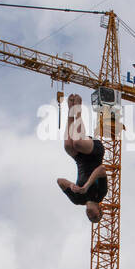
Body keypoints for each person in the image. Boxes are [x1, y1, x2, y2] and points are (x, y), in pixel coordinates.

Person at [57, 93, 108, 224]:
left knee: (68, 146)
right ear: (99, 209)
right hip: (94, 154)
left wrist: (71, 185)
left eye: (90, 218)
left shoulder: (77, 200)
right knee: (78, 143)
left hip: (80, 159)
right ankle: (78, 110)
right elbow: (102, 170)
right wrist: (86, 186)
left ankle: (70, 110)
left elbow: (60, 181)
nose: (91, 216)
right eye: (95, 217)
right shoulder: (100, 194)